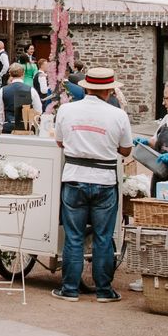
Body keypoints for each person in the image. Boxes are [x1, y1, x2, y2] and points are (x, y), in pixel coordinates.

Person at [52, 67, 133, 303]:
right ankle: (104, 290)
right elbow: (126, 150)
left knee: (74, 236)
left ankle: (69, 288)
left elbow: (59, 142)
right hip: (104, 178)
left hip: (74, 175)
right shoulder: (118, 115)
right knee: (103, 237)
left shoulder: (66, 110)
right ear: (108, 90)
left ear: (86, 88)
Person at [0, 62, 41, 133]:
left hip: (8, 126)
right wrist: (33, 125)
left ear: (10, 74)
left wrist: (0, 128)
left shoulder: (3, 90)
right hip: (26, 127)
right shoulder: (31, 90)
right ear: (23, 74)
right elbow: (38, 110)